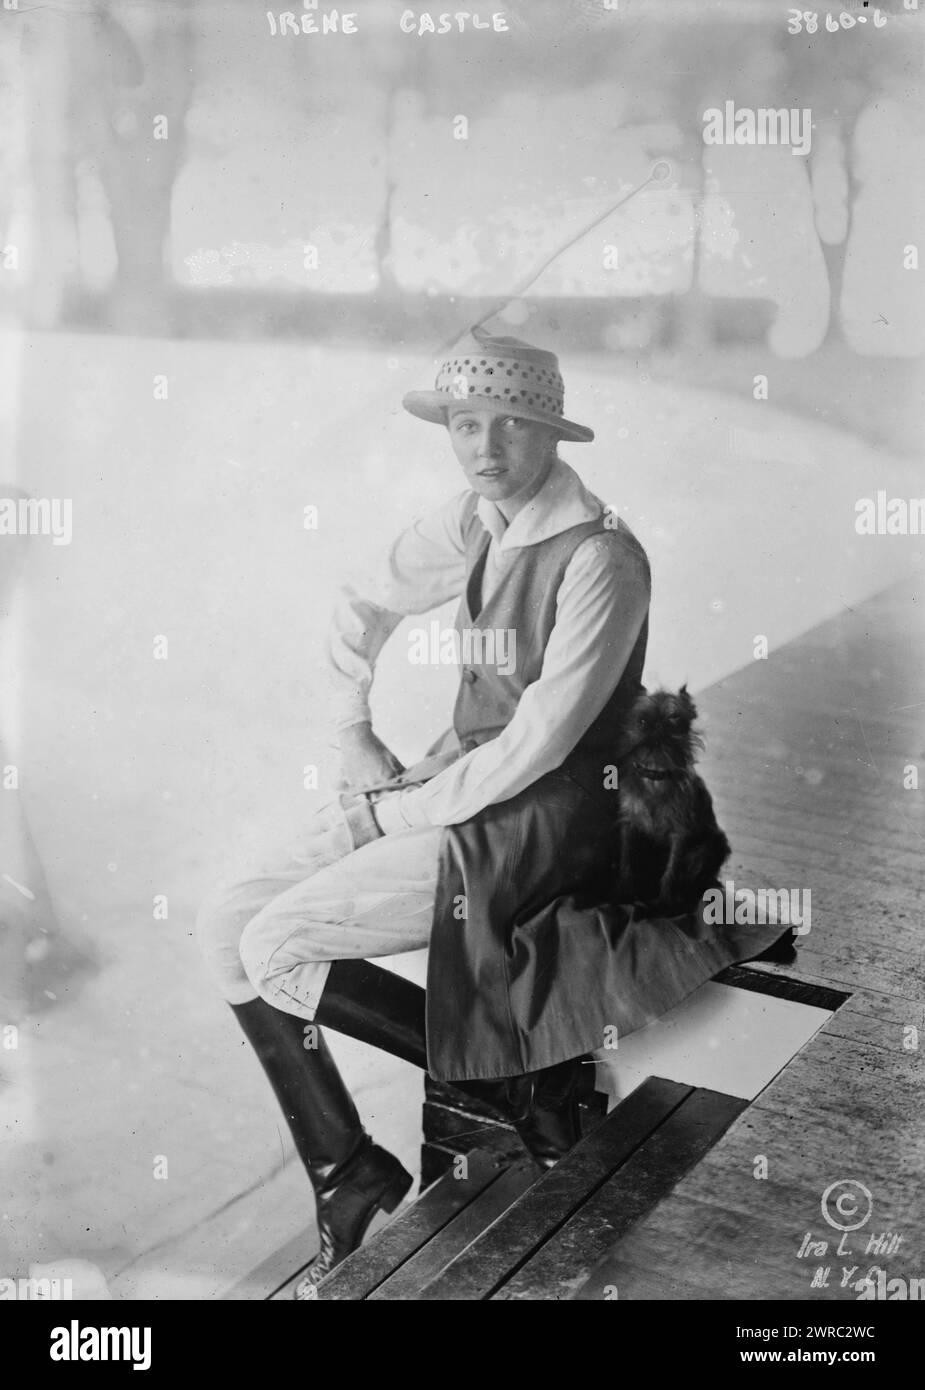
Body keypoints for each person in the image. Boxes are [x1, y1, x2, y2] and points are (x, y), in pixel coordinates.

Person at [196, 328, 785, 1295]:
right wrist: (353, 731)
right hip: (460, 783)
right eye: (466, 425)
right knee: (226, 928)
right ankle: (347, 1170)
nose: (486, 448)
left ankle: (508, 1083)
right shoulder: (475, 521)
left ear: (552, 435)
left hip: (551, 815)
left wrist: (398, 816)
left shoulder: (602, 558)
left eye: (510, 426)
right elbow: (361, 597)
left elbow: (540, 744)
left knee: (275, 947)